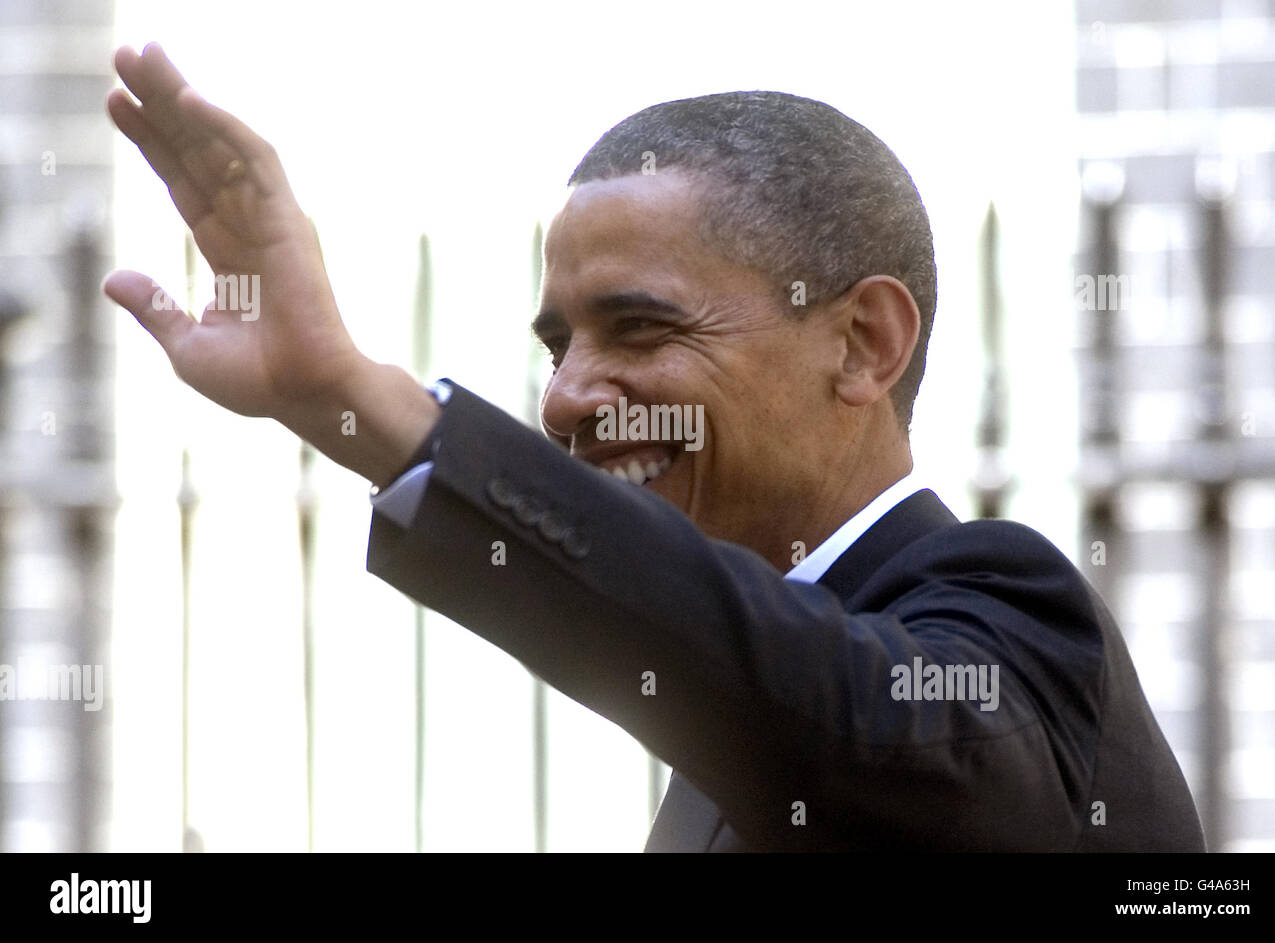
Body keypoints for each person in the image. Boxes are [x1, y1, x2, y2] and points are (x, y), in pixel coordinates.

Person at [103, 42, 1206, 852]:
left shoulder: (1003, 626)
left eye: (641, 327)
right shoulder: (729, 737)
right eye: (557, 343)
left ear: (863, 344)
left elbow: (832, 708)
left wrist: (361, 404)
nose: (569, 396)